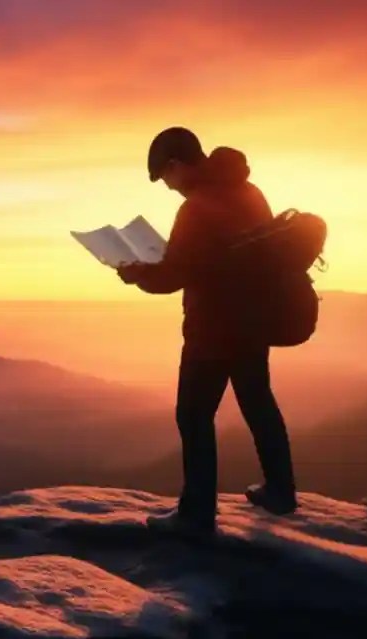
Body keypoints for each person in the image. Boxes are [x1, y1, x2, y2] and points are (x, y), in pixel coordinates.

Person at [119, 126, 297, 538]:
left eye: (165, 177)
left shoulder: (196, 207)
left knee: (193, 415)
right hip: (254, 322)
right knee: (258, 403)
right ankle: (281, 491)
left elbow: (173, 275)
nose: (168, 187)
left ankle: (196, 514)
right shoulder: (248, 191)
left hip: (213, 329)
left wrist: (135, 273)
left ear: (177, 165)